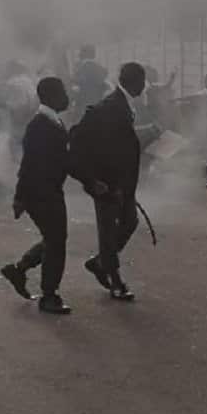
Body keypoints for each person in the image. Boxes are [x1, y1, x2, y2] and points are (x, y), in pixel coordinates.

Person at [68, 62, 147, 301]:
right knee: (109, 231)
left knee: (130, 222)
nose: (145, 86)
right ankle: (114, 280)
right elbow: (78, 138)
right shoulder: (109, 107)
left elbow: (119, 142)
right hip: (107, 183)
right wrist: (92, 180)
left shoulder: (123, 105)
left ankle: (101, 262)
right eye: (143, 81)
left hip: (123, 182)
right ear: (136, 82)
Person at [0, 77, 75, 315]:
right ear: (51, 96)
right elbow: (29, 164)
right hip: (41, 192)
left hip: (47, 190)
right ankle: (49, 295)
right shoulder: (40, 126)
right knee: (56, 241)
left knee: (54, 239)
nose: (67, 97)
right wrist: (20, 197)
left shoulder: (53, 122)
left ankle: (19, 269)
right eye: (62, 92)